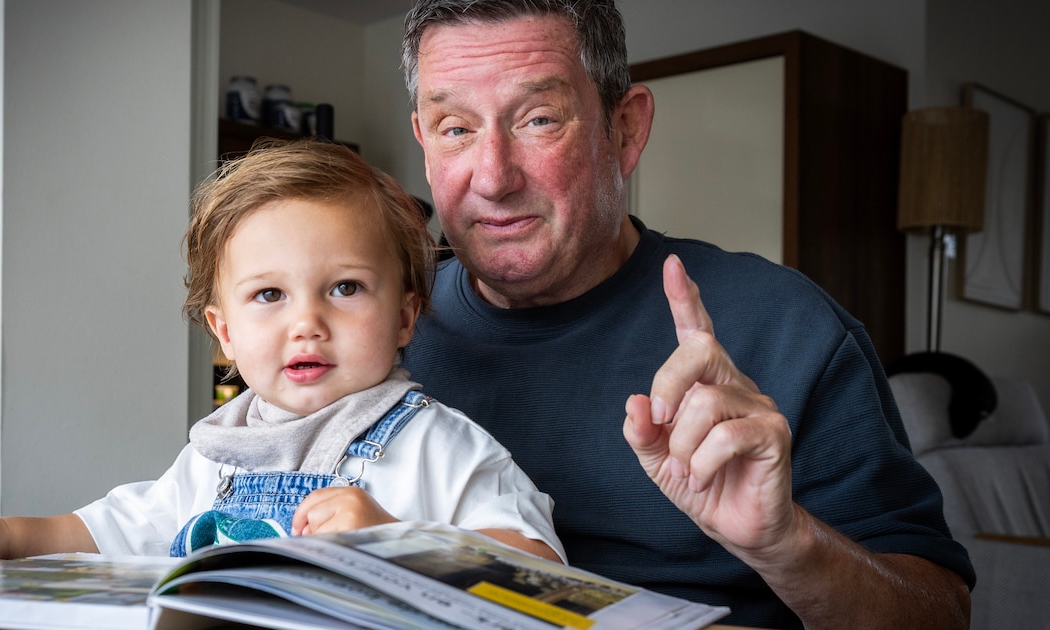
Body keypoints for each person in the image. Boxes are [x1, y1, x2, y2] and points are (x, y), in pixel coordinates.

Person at [398, 1, 973, 628]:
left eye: (538, 119)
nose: (492, 177)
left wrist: (787, 544)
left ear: (625, 129)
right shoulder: (377, 327)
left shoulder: (786, 327)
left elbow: (940, 615)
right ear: (424, 141)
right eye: (455, 128)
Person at [0, 140, 563, 565]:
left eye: (345, 288)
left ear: (406, 317)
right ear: (224, 333)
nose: (307, 322)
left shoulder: (441, 448)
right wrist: (0, 536)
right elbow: (117, 528)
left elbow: (542, 569)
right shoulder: (217, 453)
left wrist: (398, 539)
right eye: (269, 295)